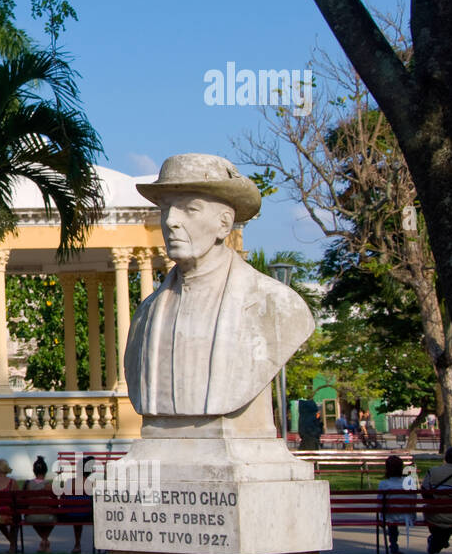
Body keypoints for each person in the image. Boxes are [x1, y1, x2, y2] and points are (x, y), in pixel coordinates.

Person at [126, 154, 312, 416]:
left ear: (224, 223)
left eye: (190, 208)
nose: (170, 221)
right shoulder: (146, 313)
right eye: (166, 208)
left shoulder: (275, 304)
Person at [423, 447, 452, 554]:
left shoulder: (433, 471)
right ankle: (441, 540)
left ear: (445, 459)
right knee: (448, 524)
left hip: (434, 515)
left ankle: (438, 540)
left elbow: (425, 493)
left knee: (428, 509)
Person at [378, 455, 417, 554]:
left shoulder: (384, 484)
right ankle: (393, 543)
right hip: (407, 516)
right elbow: (414, 500)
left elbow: (380, 502)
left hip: (390, 516)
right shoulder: (409, 482)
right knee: (393, 514)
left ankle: (393, 543)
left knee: (391, 516)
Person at [61, 456, 96, 554]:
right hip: (86, 516)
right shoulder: (92, 484)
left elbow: (63, 499)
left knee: (76, 512)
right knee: (82, 512)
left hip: (69, 516)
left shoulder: (69, 482)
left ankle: (77, 544)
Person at [22, 456, 57, 553]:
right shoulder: (49, 485)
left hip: (31, 516)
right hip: (48, 516)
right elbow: (54, 503)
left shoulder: (28, 484)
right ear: (46, 471)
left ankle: (43, 541)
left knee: (34, 518)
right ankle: (45, 541)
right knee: (55, 517)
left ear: (34, 471)